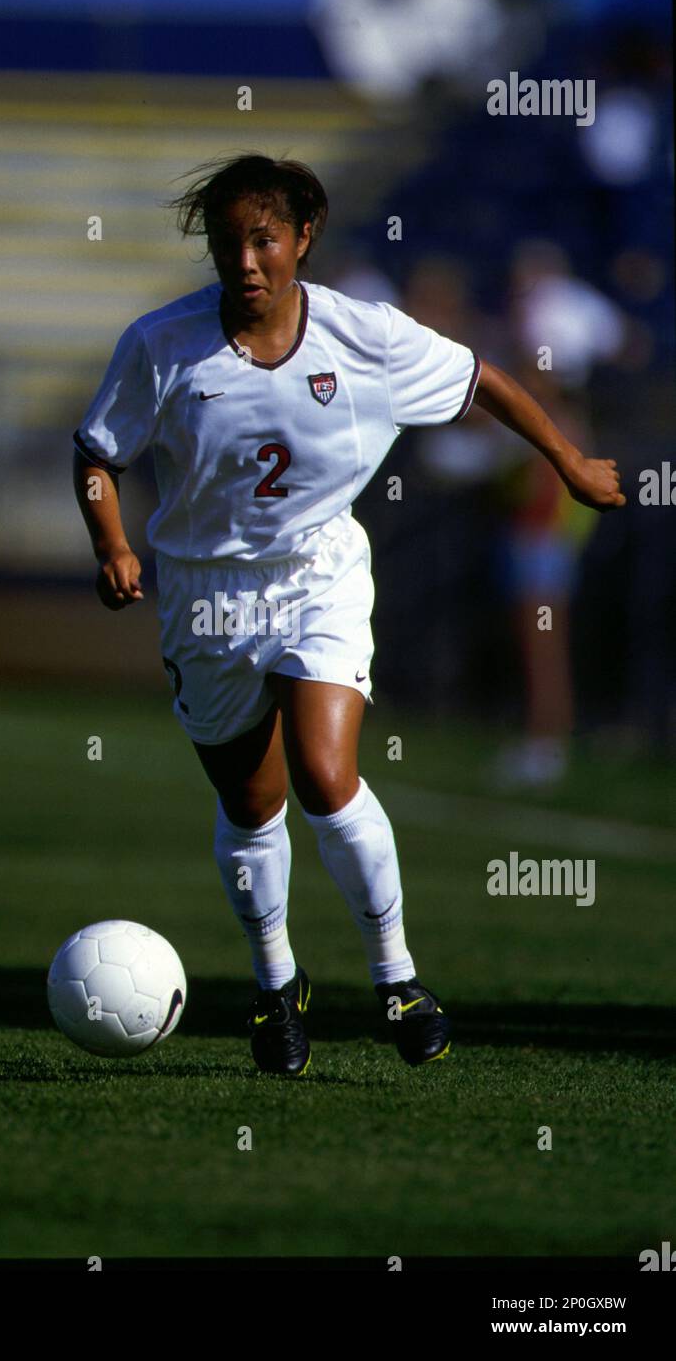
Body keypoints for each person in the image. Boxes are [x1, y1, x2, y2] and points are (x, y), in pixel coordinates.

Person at [72, 154, 624, 1078]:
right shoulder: (160, 345)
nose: (245, 260)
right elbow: (96, 452)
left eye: (263, 239)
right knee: (252, 805)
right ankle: (275, 982)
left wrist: (567, 460)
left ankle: (396, 978)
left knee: (325, 777)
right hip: (206, 598)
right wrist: (112, 545)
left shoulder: (362, 335)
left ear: (302, 240)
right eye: (227, 241)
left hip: (320, 573)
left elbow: (481, 377)